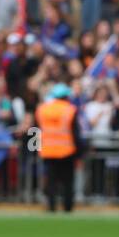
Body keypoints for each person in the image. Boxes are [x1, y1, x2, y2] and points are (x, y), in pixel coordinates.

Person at [35, 82, 83, 212]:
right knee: (68, 183)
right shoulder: (70, 110)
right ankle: (68, 208)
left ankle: (51, 208)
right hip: (67, 151)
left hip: (48, 151)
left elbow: (35, 130)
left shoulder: (42, 109)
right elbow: (75, 133)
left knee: (51, 182)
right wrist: (80, 152)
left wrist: (34, 149)